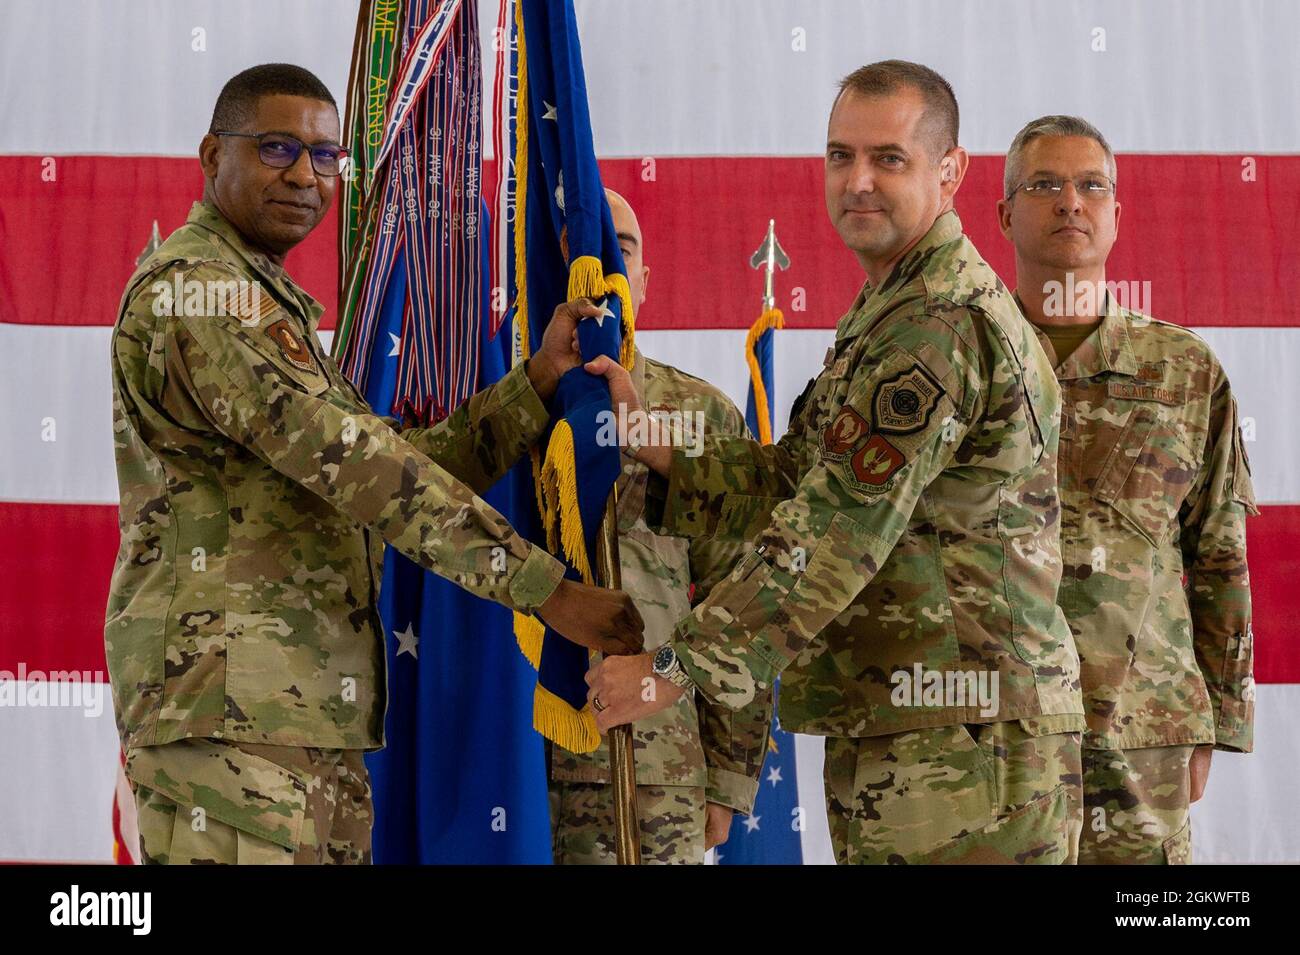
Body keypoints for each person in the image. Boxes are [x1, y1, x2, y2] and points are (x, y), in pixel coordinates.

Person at [106, 63, 642, 864]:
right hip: (226, 724)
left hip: (299, 722)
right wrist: (544, 590)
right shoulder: (199, 295)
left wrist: (531, 388)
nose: (304, 175)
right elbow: (358, 463)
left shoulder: (265, 301)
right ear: (212, 153)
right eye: (277, 148)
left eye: (327, 158)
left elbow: (390, 460)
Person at [585, 59, 1087, 865]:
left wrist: (675, 665)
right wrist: (663, 442)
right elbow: (798, 483)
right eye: (839, 156)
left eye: (889, 158)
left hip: (965, 743)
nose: (858, 181)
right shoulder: (890, 310)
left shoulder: (937, 324)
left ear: (951, 170)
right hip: (910, 726)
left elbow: (832, 531)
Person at [996, 115, 1257, 864]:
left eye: (1090, 185)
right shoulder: (962, 358)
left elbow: (1219, 554)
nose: (1069, 202)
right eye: (1044, 184)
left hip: (1143, 731)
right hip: (987, 731)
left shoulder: (1184, 369)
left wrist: (1220, 718)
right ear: (1006, 213)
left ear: (1116, 212)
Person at [546, 190, 771, 864]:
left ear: (644, 281)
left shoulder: (700, 416)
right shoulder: (495, 411)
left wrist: (729, 773)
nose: (604, 269)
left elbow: (744, 594)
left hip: (654, 765)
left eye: (624, 250)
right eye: (581, 253)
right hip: (499, 757)